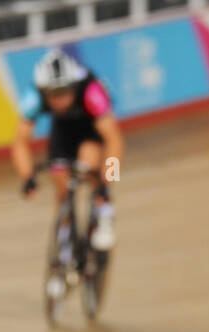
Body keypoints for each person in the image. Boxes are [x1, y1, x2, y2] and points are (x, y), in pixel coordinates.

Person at [12, 49, 124, 252]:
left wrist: (108, 180)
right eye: (52, 94)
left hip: (91, 128)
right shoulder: (34, 97)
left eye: (64, 92)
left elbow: (113, 139)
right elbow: (20, 141)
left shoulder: (91, 91)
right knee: (60, 181)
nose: (59, 99)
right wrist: (27, 177)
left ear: (74, 86)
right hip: (63, 130)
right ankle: (65, 239)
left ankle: (104, 211)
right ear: (43, 91)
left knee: (89, 161)